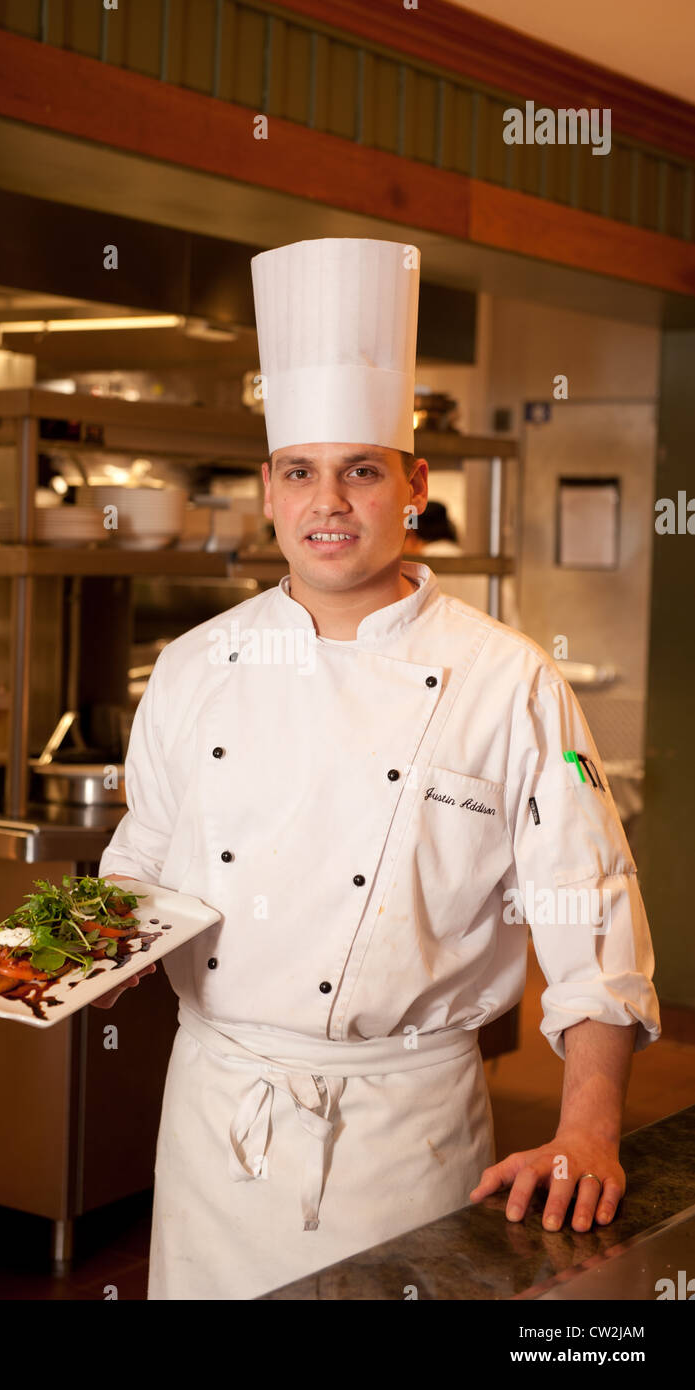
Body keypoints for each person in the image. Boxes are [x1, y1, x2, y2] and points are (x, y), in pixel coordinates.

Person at [92, 237, 661, 1301]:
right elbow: (146, 855)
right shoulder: (192, 665)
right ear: (268, 491)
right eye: (299, 471)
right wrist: (95, 946)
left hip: (404, 1134)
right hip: (215, 1118)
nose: (329, 502)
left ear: (413, 486)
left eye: (360, 470)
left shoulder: (510, 681)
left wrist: (587, 1131)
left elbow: (588, 918)